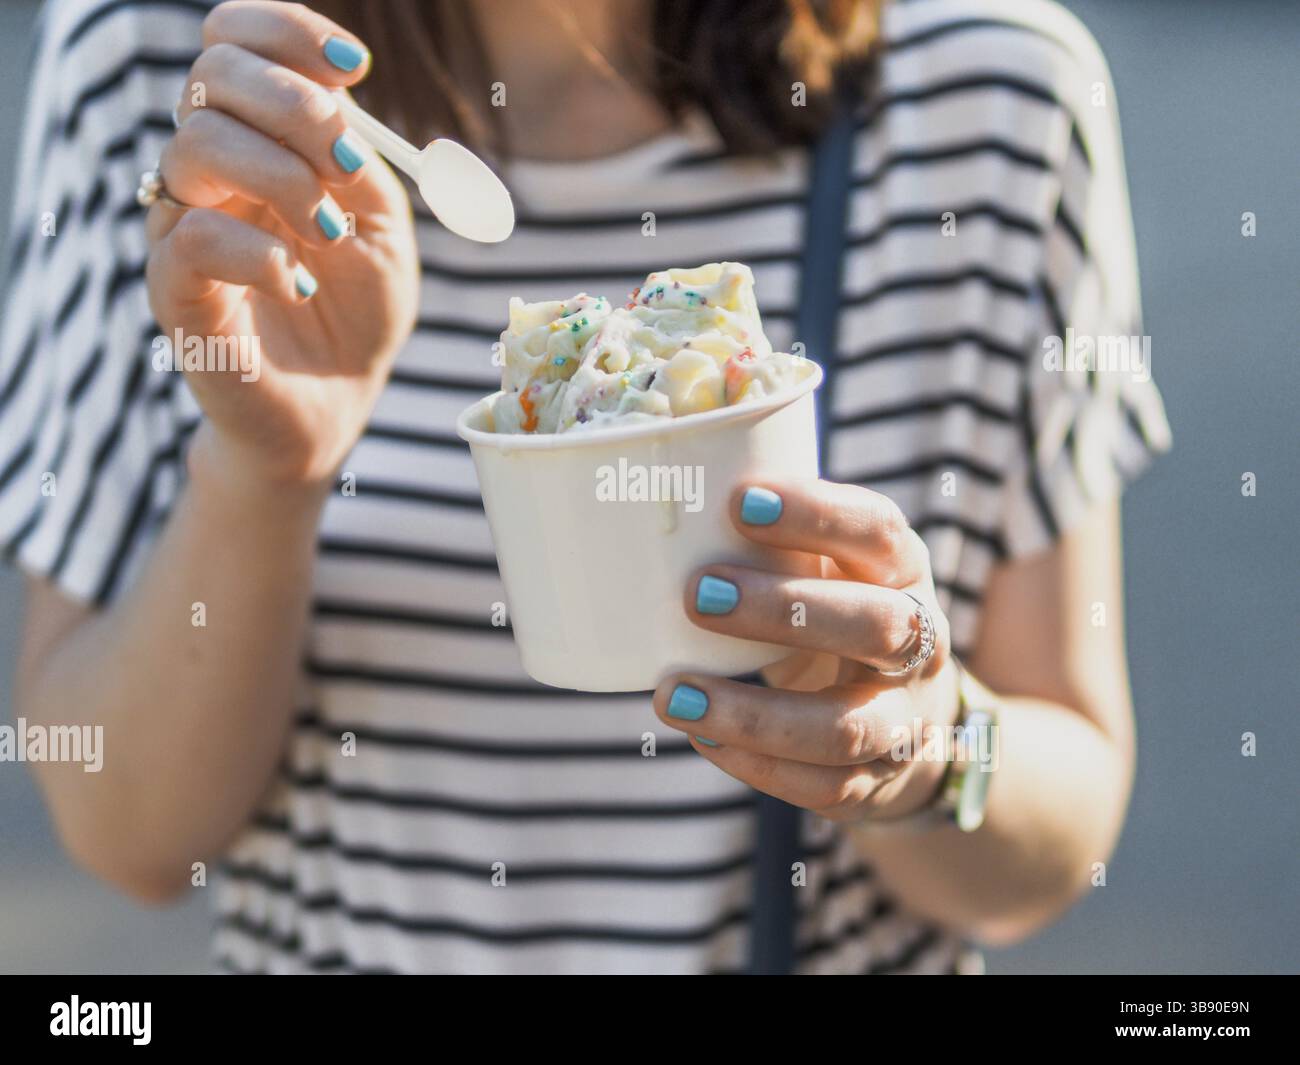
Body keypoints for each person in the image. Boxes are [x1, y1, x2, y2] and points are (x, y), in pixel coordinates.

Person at [0, 0, 1170, 974]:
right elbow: (131, 831)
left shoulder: (995, 96)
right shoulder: (178, 74)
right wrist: (265, 474)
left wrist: (920, 747)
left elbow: (1057, 833)